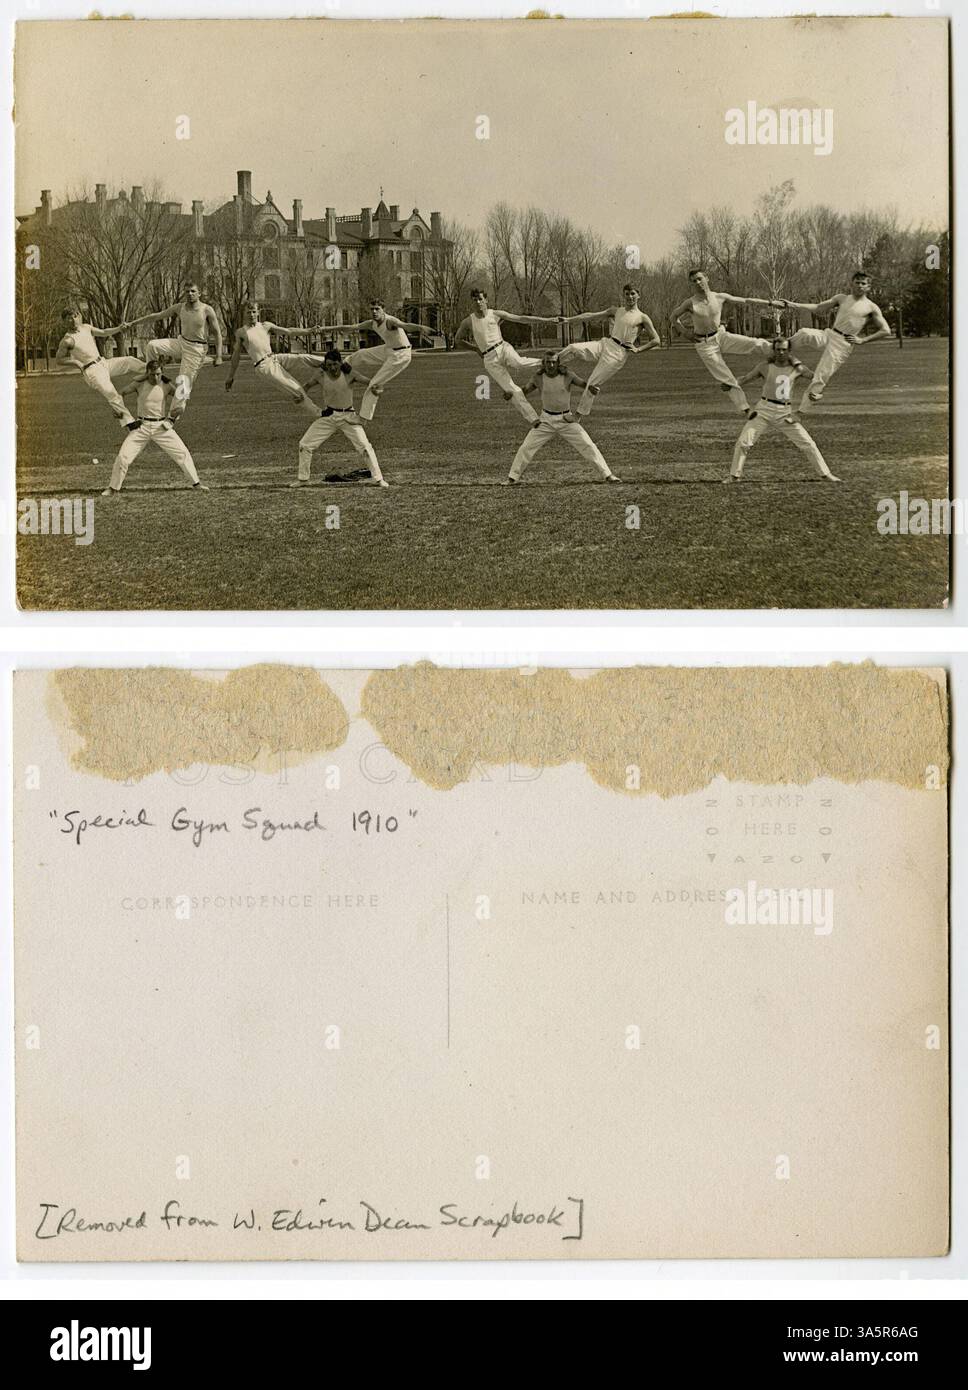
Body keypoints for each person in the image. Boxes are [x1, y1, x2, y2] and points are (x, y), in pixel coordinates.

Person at [725, 338, 840, 483]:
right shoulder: (764, 366)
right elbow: (745, 379)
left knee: (807, 443)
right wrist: (729, 384)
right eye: (778, 349)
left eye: (784, 349)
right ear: (774, 350)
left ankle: (825, 474)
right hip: (763, 410)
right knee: (743, 442)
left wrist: (819, 394)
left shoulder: (799, 369)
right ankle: (734, 476)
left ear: (789, 351)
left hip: (785, 412)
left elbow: (818, 380)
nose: (781, 352)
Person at [670, 269, 781, 414]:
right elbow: (673, 317)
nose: (697, 283)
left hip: (721, 336)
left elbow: (745, 300)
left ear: (706, 278)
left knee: (753, 343)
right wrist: (686, 333)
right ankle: (747, 410)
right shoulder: (690, 303)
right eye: (693, 281)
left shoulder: (719, 297)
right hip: (705, 345)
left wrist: (771, 303)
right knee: (726, 377)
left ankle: (780, 348)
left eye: (699, 279)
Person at [782, 271, 892, 412]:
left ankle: (800, 412)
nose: (859, 286)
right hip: (830, 334)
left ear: (868, 287)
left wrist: (863, 340)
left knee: (820, 378)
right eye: (857, 282)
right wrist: (791, 304)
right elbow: (818, 308)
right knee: (804, 333)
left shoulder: (871, 307)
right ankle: (779, 348)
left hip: (842, 345)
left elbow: (885, 330)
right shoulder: (842, 298)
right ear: (851, 284)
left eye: (863, 283)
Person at [506, 353, 621, 484]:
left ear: (558, 363)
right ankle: (512, 478)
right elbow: (524, 392)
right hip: (545, 420)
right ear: (543, 363)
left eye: (554, 362)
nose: (551, 365)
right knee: (526, 447)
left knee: (587, 445)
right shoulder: (538, 377)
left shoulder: (568, 375)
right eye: (548, 362)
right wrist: (511, 394)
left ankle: (608, 475)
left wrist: (592, 389)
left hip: (566, 419)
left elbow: (586, 385)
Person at [101, 359, 208, 494]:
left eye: (158, 374)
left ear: (161, 373)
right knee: (123, 457)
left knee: (182, 453)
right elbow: (120, 394)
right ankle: (112, 488)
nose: (156, 377)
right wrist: (118, 410)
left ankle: (197, 484)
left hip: (161, 427)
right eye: (152, 374)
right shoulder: (139, 384)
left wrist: (180, 409)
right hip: (141, 427)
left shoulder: (167, 385)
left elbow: (181, 397)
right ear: (147, 373)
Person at [454, 290, 559, 423]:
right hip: (489, 359)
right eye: (475, 300)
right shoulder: (468, 321)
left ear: (486, 300)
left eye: (480, 299)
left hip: (502, 347)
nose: (478, 302)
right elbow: (458, 340)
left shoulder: (496, 314)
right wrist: (475, 349)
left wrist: (548, 320)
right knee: (511, 389)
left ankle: (550, 362)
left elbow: (522, 319)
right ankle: (534, 420)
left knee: (519, 363)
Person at [558, 284, 660, 414]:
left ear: (638, 295)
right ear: (623, 295)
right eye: (627, 294)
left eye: (633, 294)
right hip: (606, 343)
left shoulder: (642, 317)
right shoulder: (616, 310)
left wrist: (638, 350)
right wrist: (568, 319)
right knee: (572, 347)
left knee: (592, 383)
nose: (630, 297)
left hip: (618, 354)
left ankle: (578, 415)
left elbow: (656, 340)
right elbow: (590, 315)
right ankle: (550, 363)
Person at [295, 349, 387, 487]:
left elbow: (371, 383)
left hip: (348, 417)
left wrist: (376, 389)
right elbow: (306, 387)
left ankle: (379, 479)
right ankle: (303, 479)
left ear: (340, 363)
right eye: (329, 365)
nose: (332, 368)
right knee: (305, 445)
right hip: (329, 416)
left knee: (365, 447)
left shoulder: (350, 375)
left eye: (335, 364)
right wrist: (298, 395)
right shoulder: (321, 374)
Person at [331, 301, 436, 419]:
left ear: (383, 310)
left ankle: (363, 418)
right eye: (372, 309)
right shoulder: (372, 323)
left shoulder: (390, 321)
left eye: (377, 309)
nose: (374, 312)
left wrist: (420, 327)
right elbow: (350, 327)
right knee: (361, 354)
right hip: (389, 349)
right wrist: (325, 328)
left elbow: (405, 325)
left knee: (373, 385)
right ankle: (340, 365)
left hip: (401, 354)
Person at [128, 283, 223, 410]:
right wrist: (133, 323)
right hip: (181, 343)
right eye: (187, 292)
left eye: (193, 291)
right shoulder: (180, 307)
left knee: (182, 388)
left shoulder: (206, 310)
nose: (190, 294)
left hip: (196, 350)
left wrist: (219, 356)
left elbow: (217, 334)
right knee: (152, 345)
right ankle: (152, 373)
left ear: (199, 293)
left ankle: (171, 419)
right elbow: (157, 316)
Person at [224, 303, 322, 418]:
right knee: (296, 390)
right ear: (244, 313)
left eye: (254, 312)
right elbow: (236, 355)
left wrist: (309, 331)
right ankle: (320, 414)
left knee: (302, 357)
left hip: (274, 358)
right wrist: (230, 376)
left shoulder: (265, 325)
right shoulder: (241, 332)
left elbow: (289, 331)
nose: (251, 315)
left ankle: (331, 362)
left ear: (258, 312)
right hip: (264, 366)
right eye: (248, 312)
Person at [54, 308, 146, 426]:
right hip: (92, 371)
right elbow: (59, 360)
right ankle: (130, 423)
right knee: (112, 393)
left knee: (129, 361)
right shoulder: (67, 340)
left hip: (103, 363)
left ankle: (152, 370)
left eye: (74, 316)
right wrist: (76, 363)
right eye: (68, 319)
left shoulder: (86, 328)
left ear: (78, 316)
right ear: (64, 322)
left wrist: (119, 328)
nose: (73, 320)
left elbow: (104, 332)